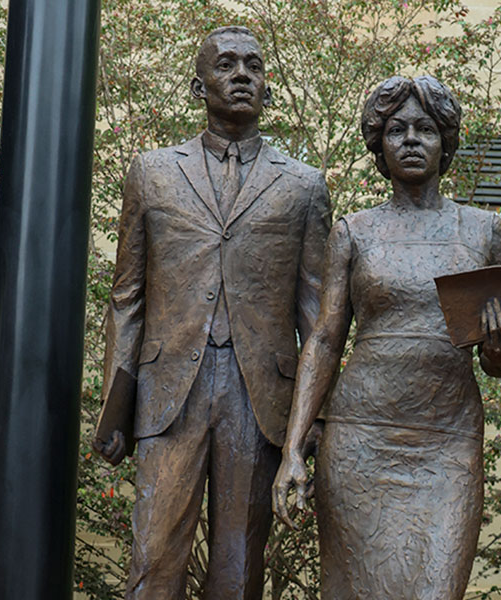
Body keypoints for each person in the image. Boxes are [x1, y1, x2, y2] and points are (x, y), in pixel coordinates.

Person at [94, 26, 330, 599]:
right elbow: (127, 296)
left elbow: (318, 318)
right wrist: (115, 405)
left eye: (253, 65)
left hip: (259, 398)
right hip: (168, 390)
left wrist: (311, 422)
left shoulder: (303, 186)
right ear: (199, 85)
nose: (242, 74)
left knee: (239, 567)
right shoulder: (151, 172)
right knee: (153, 559)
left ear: (269, 90)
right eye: (226, 65)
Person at [271, 75, 501, 599]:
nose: (410, 139)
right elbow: (324, 339)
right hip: (361, 437)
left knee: (437, 587)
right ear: (379, 145)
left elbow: (500, 359)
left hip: (446, 441)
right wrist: (294, 448)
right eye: (397, 129)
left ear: (445, 142)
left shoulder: (483, 230)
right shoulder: (353, 232)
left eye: (425, 129)